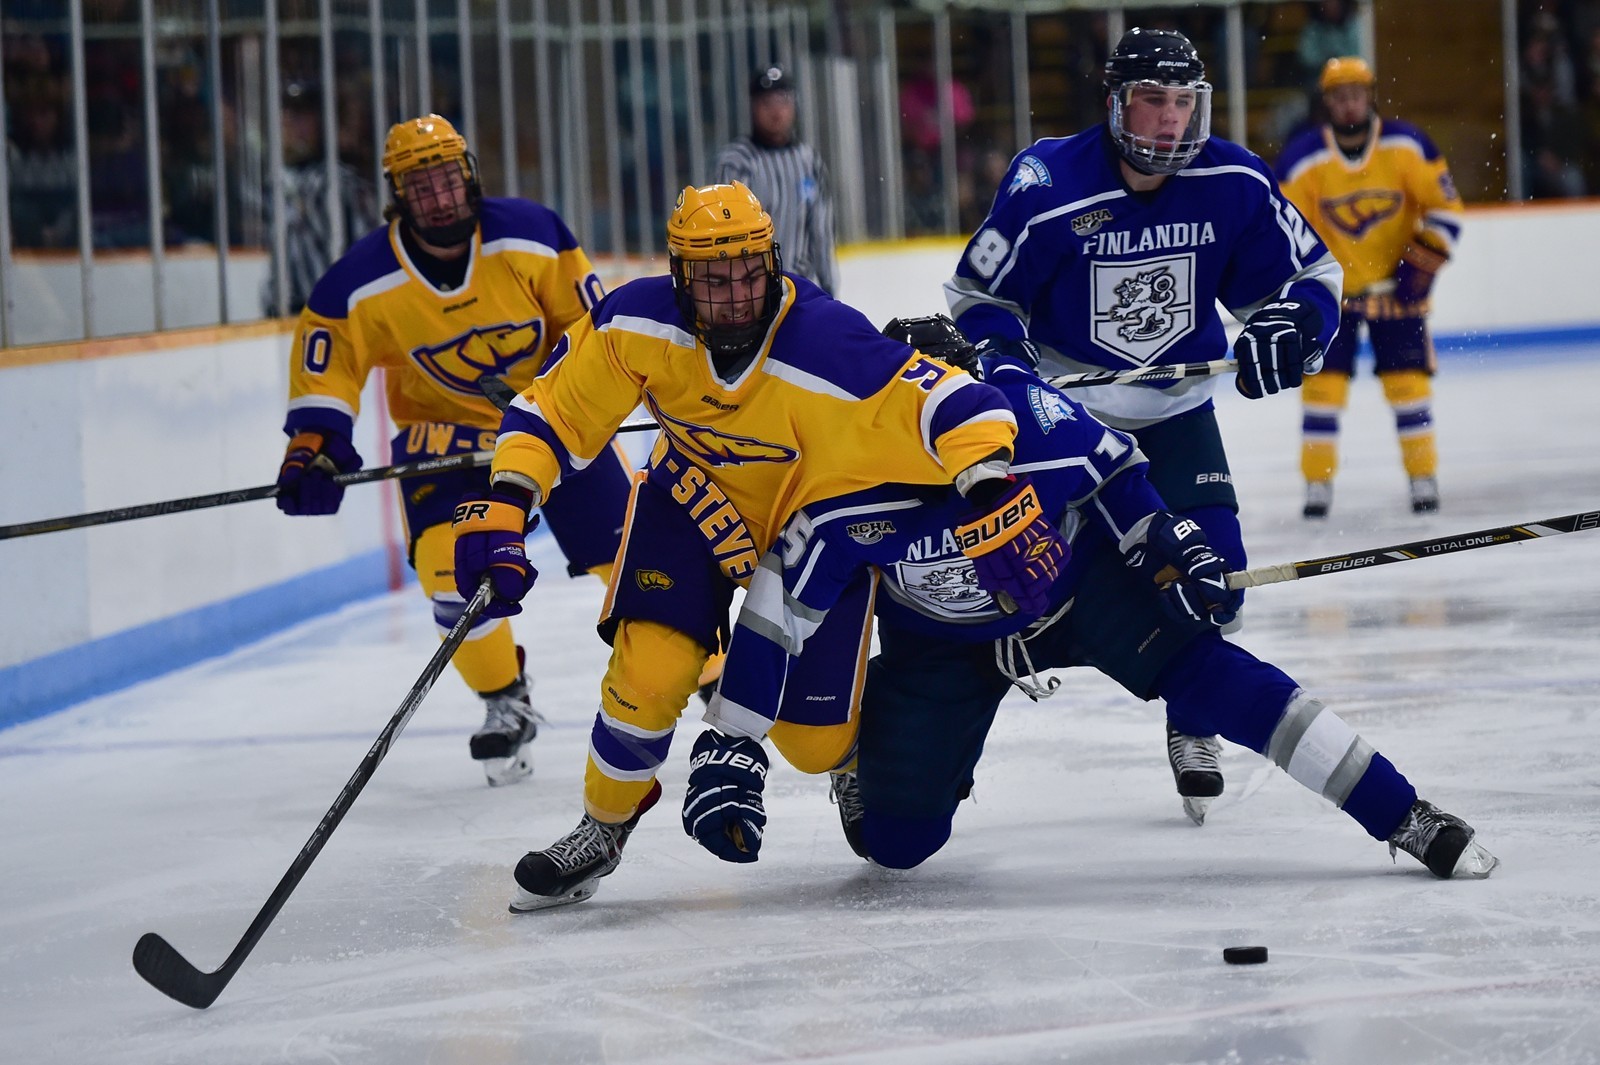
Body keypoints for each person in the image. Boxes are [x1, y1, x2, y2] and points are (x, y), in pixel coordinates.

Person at [701, 316, 1498, 883]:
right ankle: (862, 754)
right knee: (896, 844)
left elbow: (1116, 473)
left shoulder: (1024, 412)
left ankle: (1403, 811)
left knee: (1216, 676)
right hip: (941, 645)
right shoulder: (840, 482)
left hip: (1079, 591)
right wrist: (732, 736)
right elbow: (775, 615)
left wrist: (1168, 539)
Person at [451, 181, 1031, 912]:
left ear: (772, 262)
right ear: (679, 276)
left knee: (809, 741)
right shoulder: (636, 323)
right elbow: (551, 412)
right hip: (689, 508)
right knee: (649, 677)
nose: (734, 297)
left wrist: (989, 485)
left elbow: (958, 406)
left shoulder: (828, 341)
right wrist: (508, 503)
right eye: (713, 279)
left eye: (748, 273)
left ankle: (849, 754)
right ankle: (603, 824)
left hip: (808, 540)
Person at [944, 27, 1343, 823]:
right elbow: (980, 299)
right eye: (1152, 100)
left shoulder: (1232, 179)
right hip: (1068, 422)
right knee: (1011, 588)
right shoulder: (1048, 181)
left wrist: (1291, 324)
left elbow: (1313, 275)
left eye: (1183, 101)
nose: (1169, 118)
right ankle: (937, 745)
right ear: (1115, 103)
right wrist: (1007, 363)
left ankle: (1193, 715)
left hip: (1175, 410)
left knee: (1217, 580)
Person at [274, 113, 630, 786]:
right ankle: (505, 700)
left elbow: (592, 330)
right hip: (444, 438)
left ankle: (712, 677)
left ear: (469, 176)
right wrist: (313, 447)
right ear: (397, 196)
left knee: (634, 557)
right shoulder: (360, 281)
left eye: (446, 180)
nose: (438, 198)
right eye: (421, 186)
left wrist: (577, 397)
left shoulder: (531, 234)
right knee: (449, 570)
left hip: (552, 420)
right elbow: (329, 366)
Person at [1276, 57, 1464, 519]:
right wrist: (1305, 285)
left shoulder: (1407, 144)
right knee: (1322, 389)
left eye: (1356, 94)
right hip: (1332, 297)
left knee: (1409, 386)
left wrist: (1420, 264)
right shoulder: (1302, 158)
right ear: (1327, 102)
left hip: (1396, 292)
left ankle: (1423, 477)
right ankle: (1317, 486)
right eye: (1340, 96)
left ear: (1371, 96)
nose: (1349, 104)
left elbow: (1445, 209)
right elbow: (1285, 230)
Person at [713, 65, 837, 295]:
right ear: (752, 106)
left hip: (799, 289)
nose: (776, 111)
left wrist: (829, 289)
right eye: (766, 103)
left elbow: (821, 229)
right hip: (750, 291)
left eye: (783, 100)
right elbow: (728, 232)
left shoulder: (809, 161)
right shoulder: (737, 161)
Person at [262, 80, 381, 317]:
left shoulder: (339, 183)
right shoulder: (278, 181)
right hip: (290, 317)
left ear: (325, 123)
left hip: (338, 317)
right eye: (286, 115)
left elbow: (368, 254)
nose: (290, 124)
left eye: (301, 117)